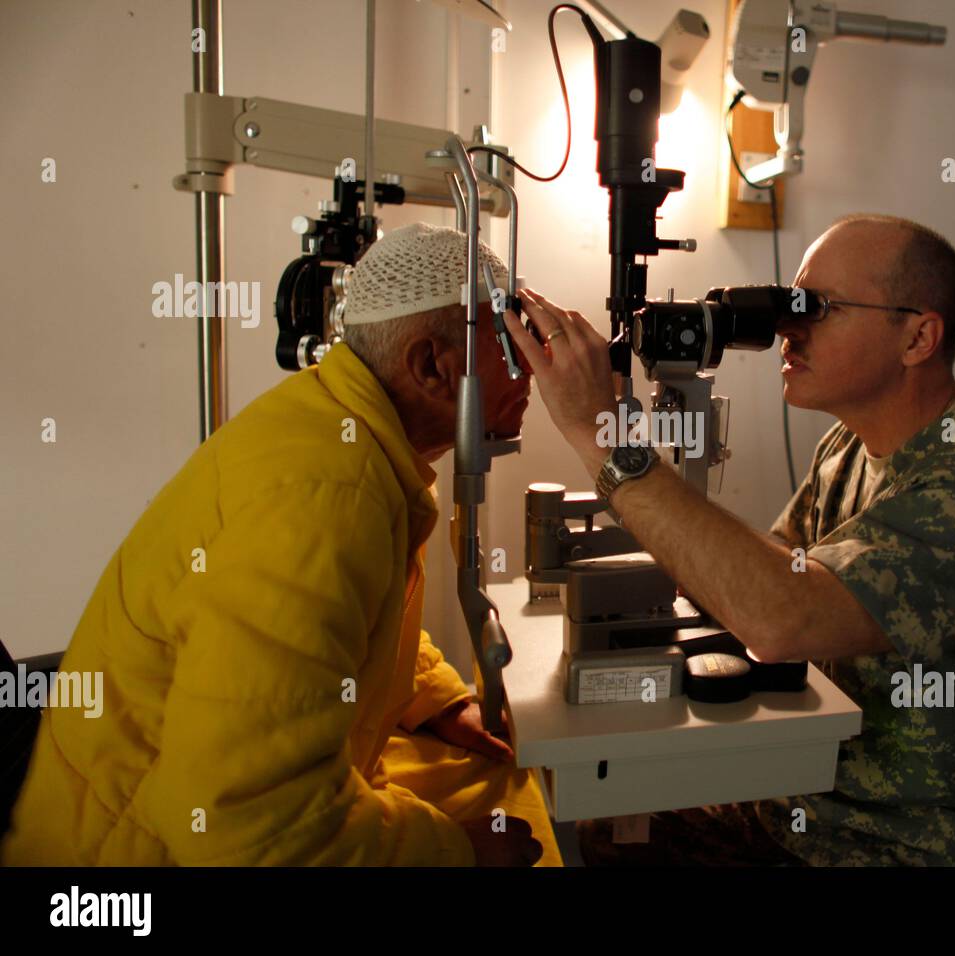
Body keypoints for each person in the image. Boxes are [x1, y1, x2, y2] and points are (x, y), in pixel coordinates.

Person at [503, 214, 955, 866]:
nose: (787, 327)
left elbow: (783, 617)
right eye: (788, 301)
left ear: (918, 336)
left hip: (919, 841)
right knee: (568, 829)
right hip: (803, 794)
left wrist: (607, 441)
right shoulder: (850, 447)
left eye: (818, 308)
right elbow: (761, 579)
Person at [2, 222, 558, 866]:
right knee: (511, 836)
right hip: (143, 854)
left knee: (500, 780)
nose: (534, 366)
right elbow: (244, 822)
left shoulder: (343, 428)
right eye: (511, 344)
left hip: (242, 780)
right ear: (432, 365)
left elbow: (349, 624)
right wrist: (456, 855)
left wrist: (435, 696)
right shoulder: (328, 496)